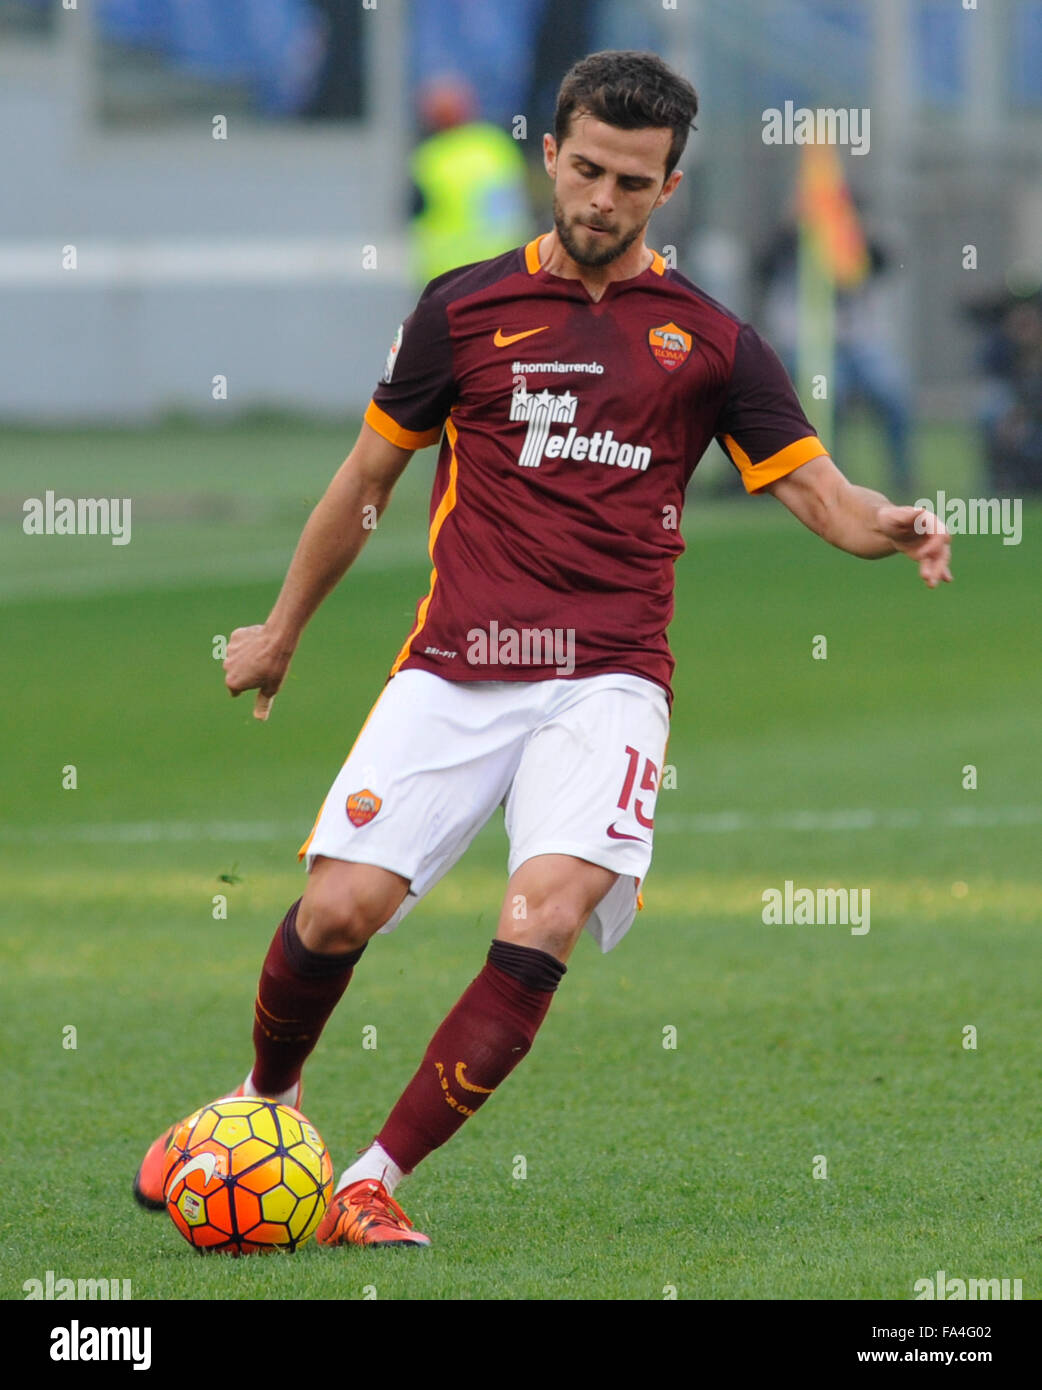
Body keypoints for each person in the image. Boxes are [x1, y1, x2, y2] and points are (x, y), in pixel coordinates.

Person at [133, 49, 951, 1248]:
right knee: (337, 911)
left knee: (544, 915)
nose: (602, 198)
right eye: (585, 169)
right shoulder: (461, 309)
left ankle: (368, 1179)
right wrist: (279, 630)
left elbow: (823, 496)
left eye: (632, 180)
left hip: (610, 681)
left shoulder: (712, 345)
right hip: (455, 664)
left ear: (668, 187)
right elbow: (367, 480)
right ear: (549, 154)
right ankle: (258, 1107)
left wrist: (887, 523)